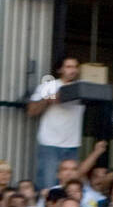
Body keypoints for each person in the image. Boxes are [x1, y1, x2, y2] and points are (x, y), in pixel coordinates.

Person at [27, 58, 84, 193]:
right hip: (50, 144)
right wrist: (50, 98)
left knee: (71, 187)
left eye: (75, 67)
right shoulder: (49, 86)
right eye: (69, 67)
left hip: (72, 145)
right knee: (48, 186)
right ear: (60, 69)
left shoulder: (82, 88)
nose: (73, 70)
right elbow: (31, 111)